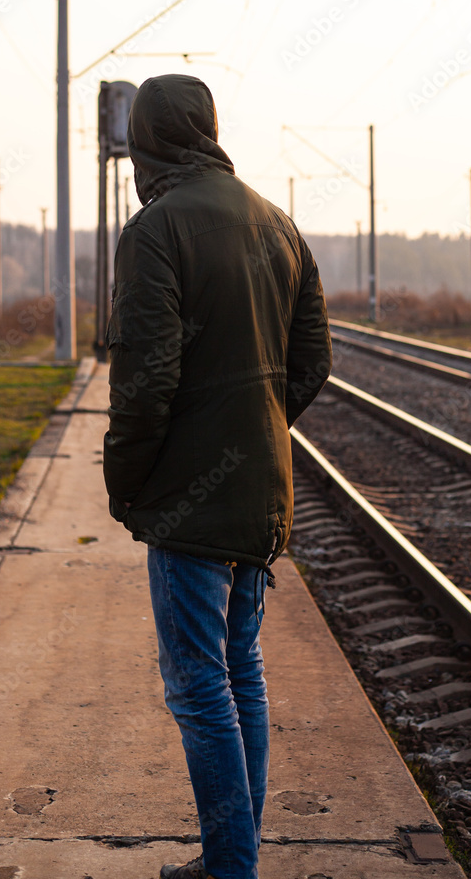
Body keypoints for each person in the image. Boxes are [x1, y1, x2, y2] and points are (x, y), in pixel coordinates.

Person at [102, 73, 331, 879]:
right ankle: (230, 858)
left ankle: (231, 870)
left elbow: (145, 380)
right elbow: (314, 363)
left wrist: (128, 483)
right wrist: (255, 428)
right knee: (241, 675)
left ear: (149, 142)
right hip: (264, 493)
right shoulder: (278, 223)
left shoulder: (157, 229)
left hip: (193, 509)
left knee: (200, 687)